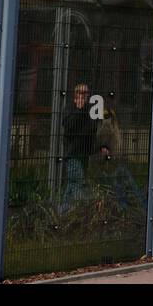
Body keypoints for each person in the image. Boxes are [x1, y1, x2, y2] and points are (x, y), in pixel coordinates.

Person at [60, 82, 95, 214]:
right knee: (78, 183)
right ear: (75, 95)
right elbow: (69, 127)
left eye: (86, 93)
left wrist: (99, 147)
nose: (84, 96)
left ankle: (62, 213)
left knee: (72, 185)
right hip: (73, 154)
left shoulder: (89, 110)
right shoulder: (70, 108)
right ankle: (86, 212)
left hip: (84, 154)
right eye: (81, 93)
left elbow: (91, 133)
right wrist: (79, 110)